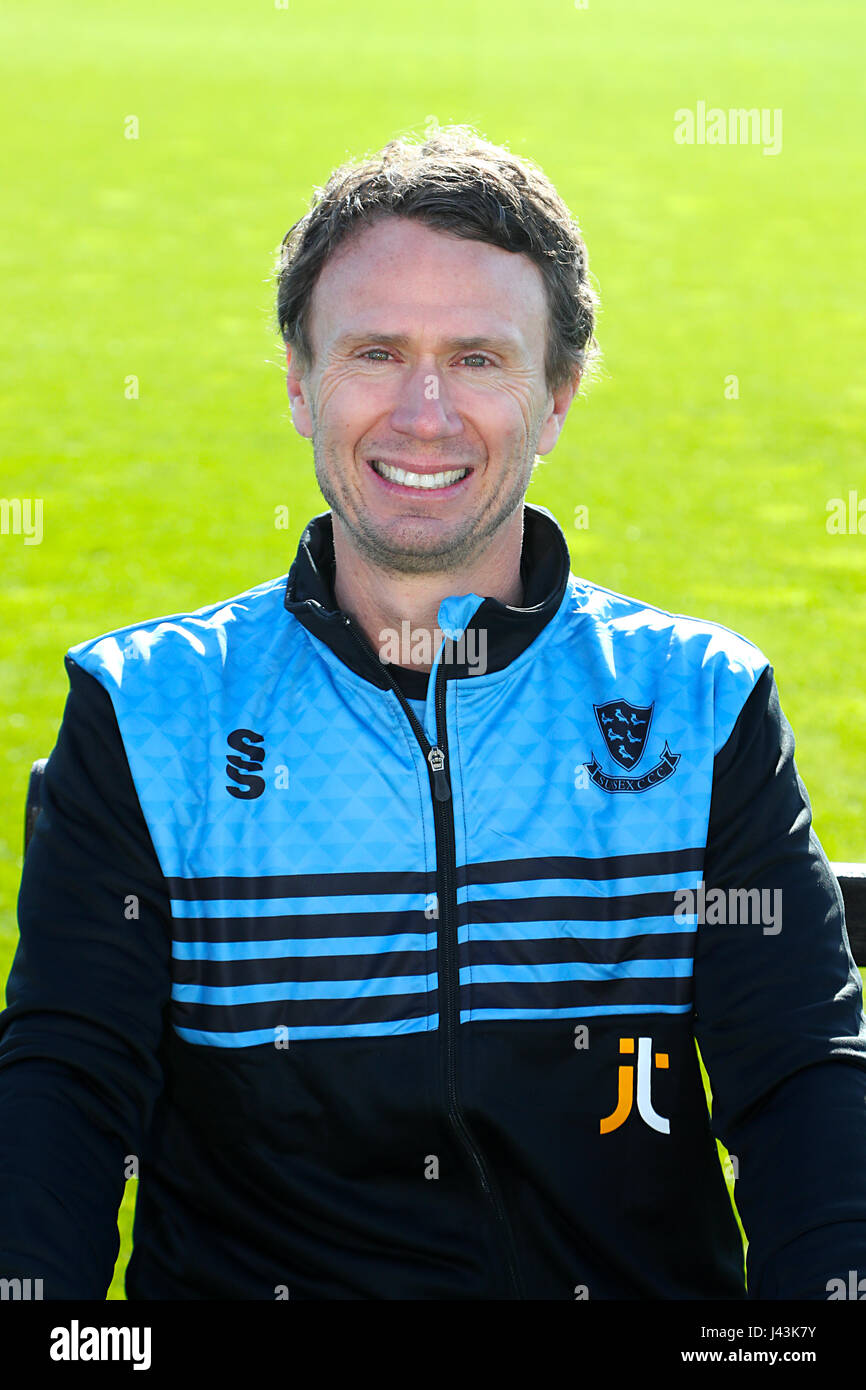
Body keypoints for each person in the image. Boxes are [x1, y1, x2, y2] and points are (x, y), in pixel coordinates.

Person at [1, 125, 865, 1301]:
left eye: (476, 358)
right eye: (373, 352)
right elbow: (65, 1085)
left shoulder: (699, 701)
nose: (421, 412)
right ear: (300, 387)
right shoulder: (145, 710)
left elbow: (800, 1077)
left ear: (555, 398)